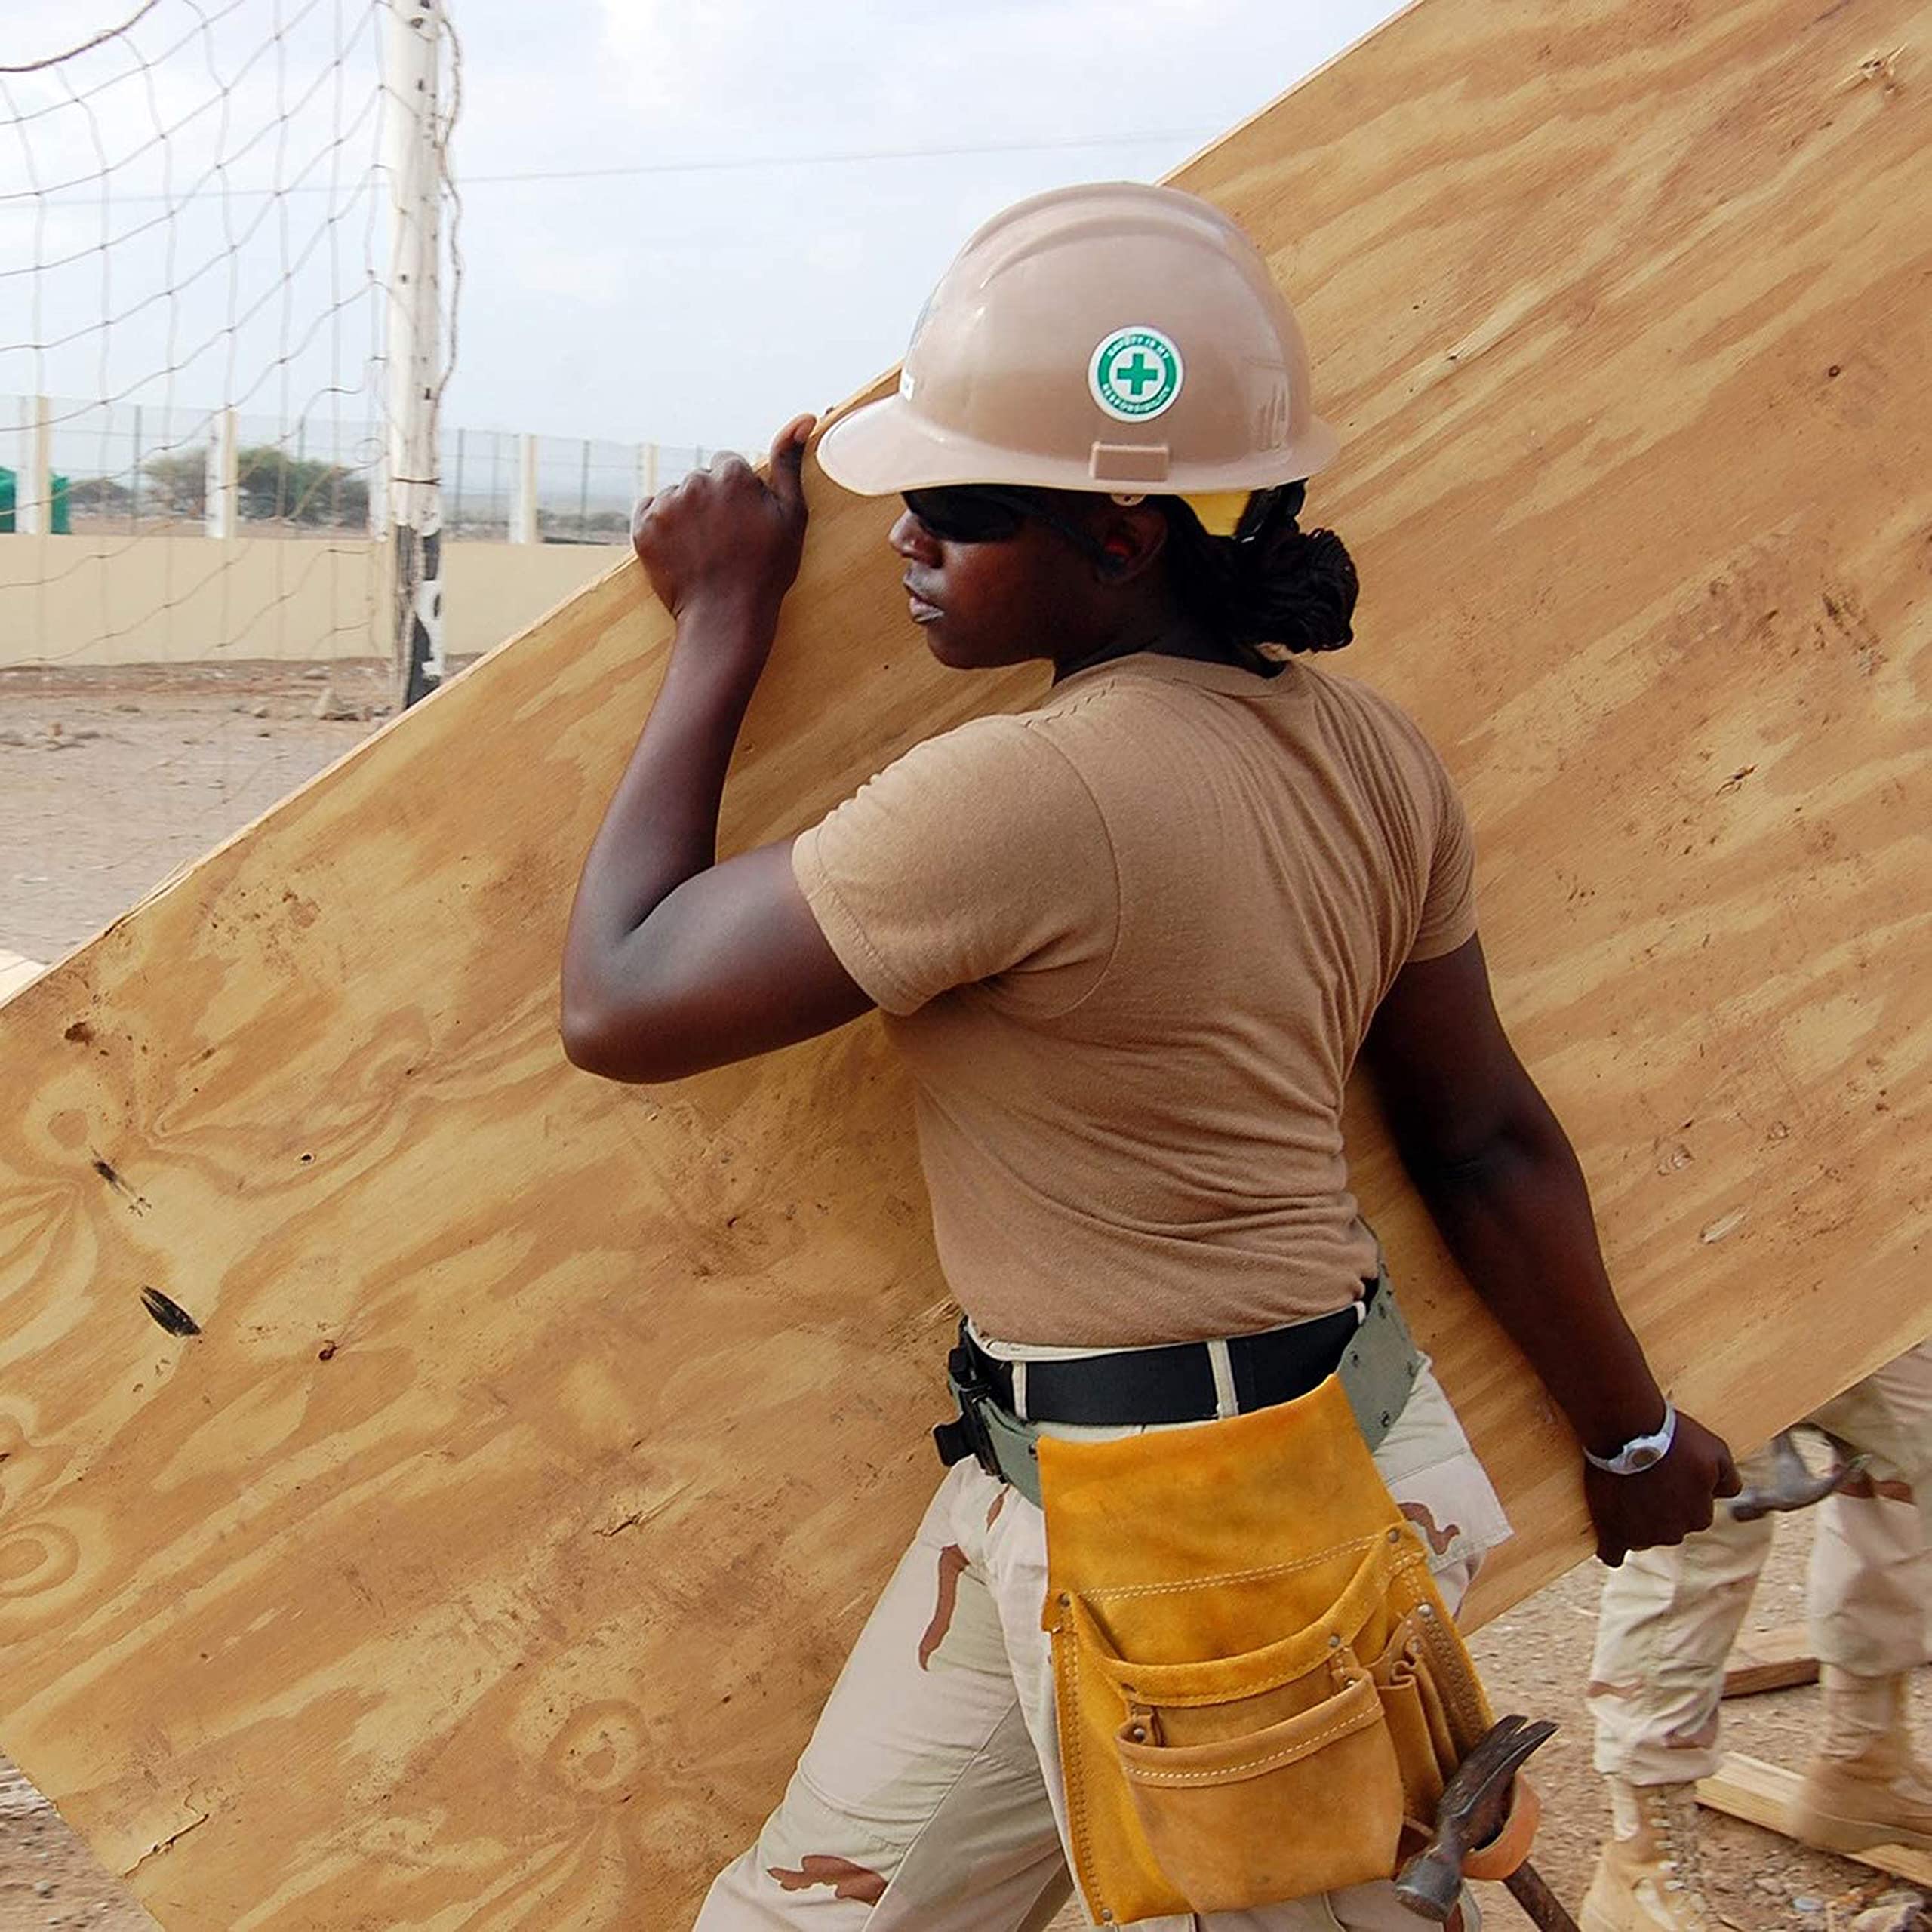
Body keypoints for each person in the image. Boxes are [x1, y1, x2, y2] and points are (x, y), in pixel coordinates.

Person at [560, 183, 1740, 1931]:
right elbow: (1480, 1136)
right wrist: (1626, 1432)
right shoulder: (1368, 755)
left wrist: (724, 620)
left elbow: (622, 998)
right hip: (1138, 1483)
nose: (901, 543)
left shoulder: (1015, 797)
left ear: (1121, 537)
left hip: (1214, 1552)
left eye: (953, 510)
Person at [1583, 1342, 1932, 1932]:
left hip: (1852, 1266)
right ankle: (1641, 1862)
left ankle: (1865, 1764)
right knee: (1703, 1525)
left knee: (1915, 1436)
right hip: (1703, 1279)